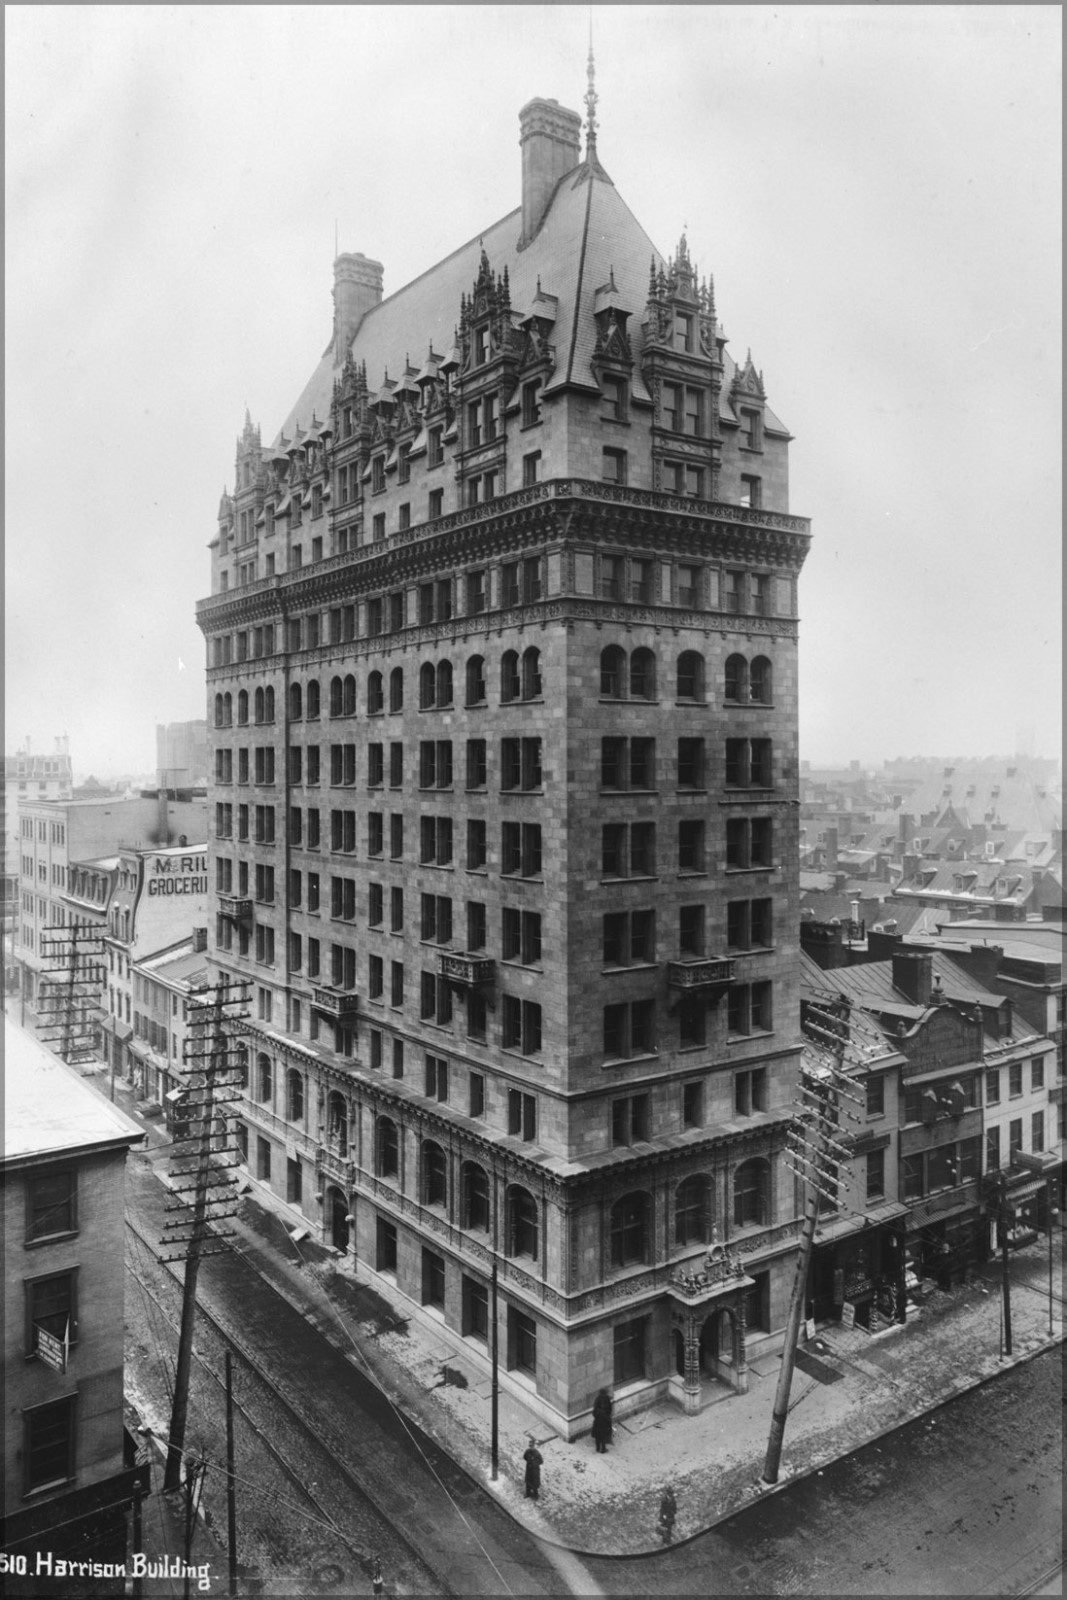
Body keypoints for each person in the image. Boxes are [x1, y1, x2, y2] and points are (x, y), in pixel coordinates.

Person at [591, 1388, 613, 1453]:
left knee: (597, 1435)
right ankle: (603, 1449)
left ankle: (597, 1448)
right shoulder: (607, 1399)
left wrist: (597, 1416)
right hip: (604, 1420)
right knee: (603, 1435)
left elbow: (594, 1411)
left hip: (598, 1420)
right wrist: (607, 1417)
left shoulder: (597, 1399)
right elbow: (610, 1409)